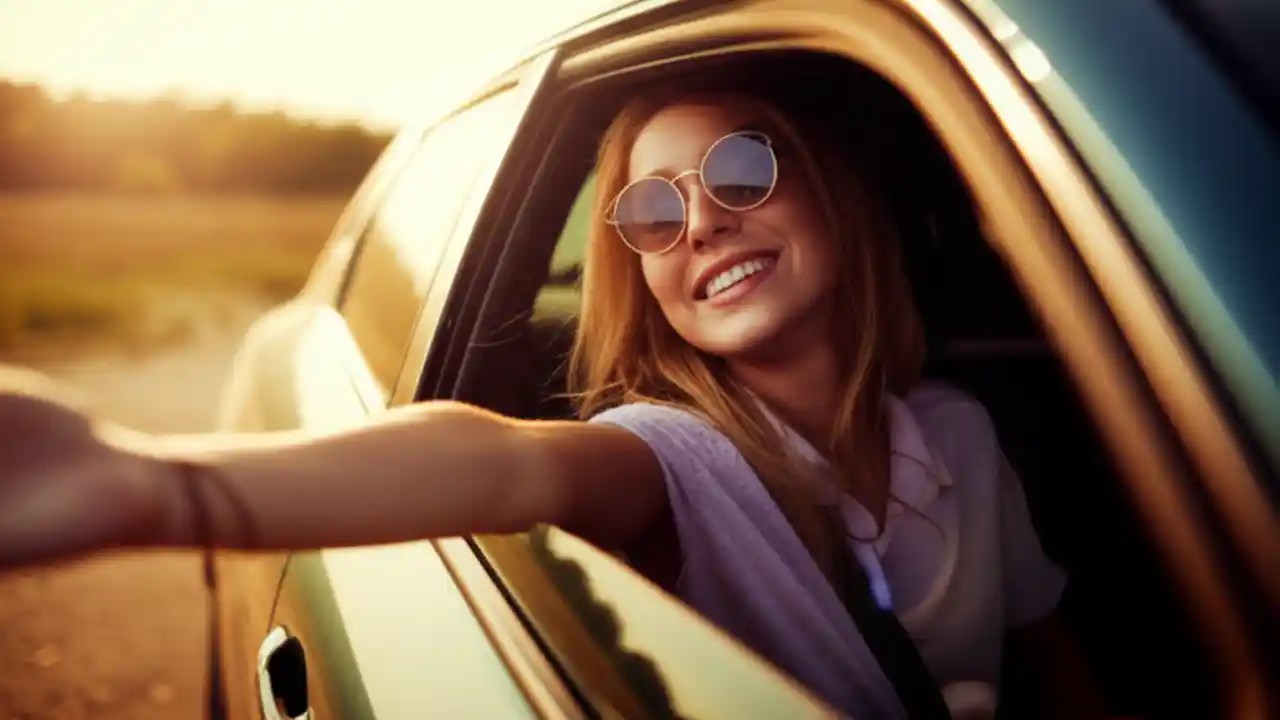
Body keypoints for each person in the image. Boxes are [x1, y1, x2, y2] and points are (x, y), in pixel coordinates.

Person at [0, 87, 1102, 718]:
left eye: (738, 173)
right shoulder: (669, 461)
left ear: (835, 195)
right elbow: (507, 462)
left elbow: (1041, 643)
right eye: (649, 213)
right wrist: (151, 486)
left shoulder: (957, 425)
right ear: (643, 283)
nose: (699, 224)